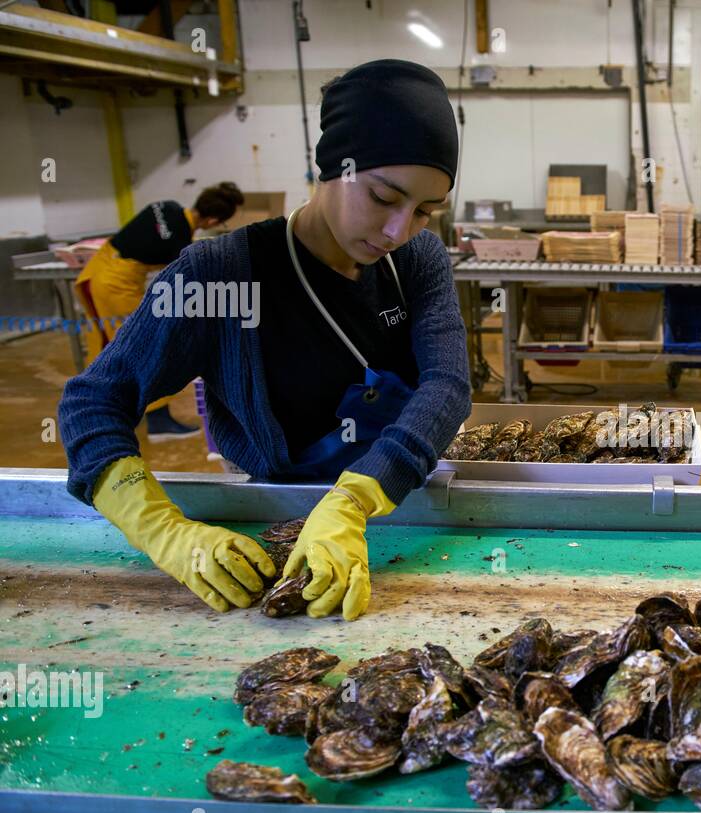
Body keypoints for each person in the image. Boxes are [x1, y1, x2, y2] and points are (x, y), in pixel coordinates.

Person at [58, 60, 472, 621]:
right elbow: (92, 403)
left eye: (425, 211)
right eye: (382, 197)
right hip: (272, 526)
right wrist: (165, 532)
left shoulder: (416, 261)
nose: (399, 231)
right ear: (331, 167)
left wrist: (353, 500)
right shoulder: (221, 275)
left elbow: (447, 385)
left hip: (399, 503)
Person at [74, 182, 245, 440]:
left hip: (96, 271)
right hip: (115, 285)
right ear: (212, 220)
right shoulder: (179, 242)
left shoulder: (168, 207)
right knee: (147, 348)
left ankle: (99, 411)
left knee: (105, 345)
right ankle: (158, 420)